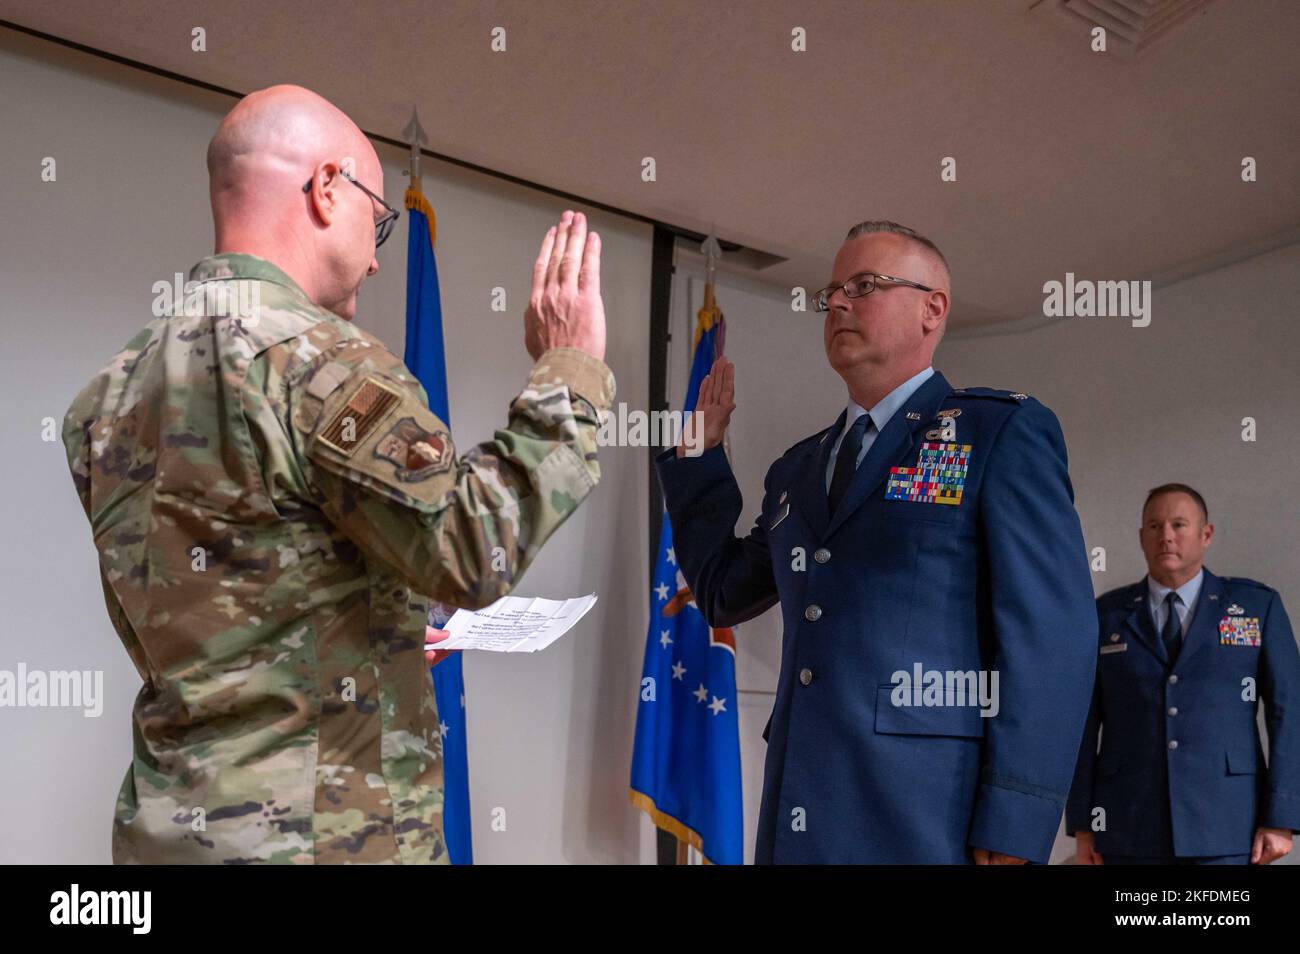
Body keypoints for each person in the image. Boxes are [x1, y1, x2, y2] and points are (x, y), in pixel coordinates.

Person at [61, 85, 613, 864]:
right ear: (327, 188)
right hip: (320, 839)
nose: (380, 253)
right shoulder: (320, 359)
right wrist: (571, 368)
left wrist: (370, 628)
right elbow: (475, 544)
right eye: (376, 217)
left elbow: (219, 604)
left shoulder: (107, 394)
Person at [654, 221, 1096, 863]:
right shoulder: (798, 468)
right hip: (801, 800)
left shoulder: (996, 433)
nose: (836, 303)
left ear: (932, 309)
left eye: (866, 286)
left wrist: (1015, 817)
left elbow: (1051, 634)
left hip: (927, 812)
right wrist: (700, 453)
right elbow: (723, 593)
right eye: (831, 291)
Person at [1068, 484, 1299, 865]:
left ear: (1206, 534)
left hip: (1227, 823)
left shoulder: (1256, 607)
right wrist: (1083, 821)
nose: (1167, 536)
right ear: (1142, 536)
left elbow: (1289, 713)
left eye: (1179, 524)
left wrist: (1283, 817)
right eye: (1155, 526)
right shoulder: (1107, 614)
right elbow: (1081, 723)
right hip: (1126, 824)